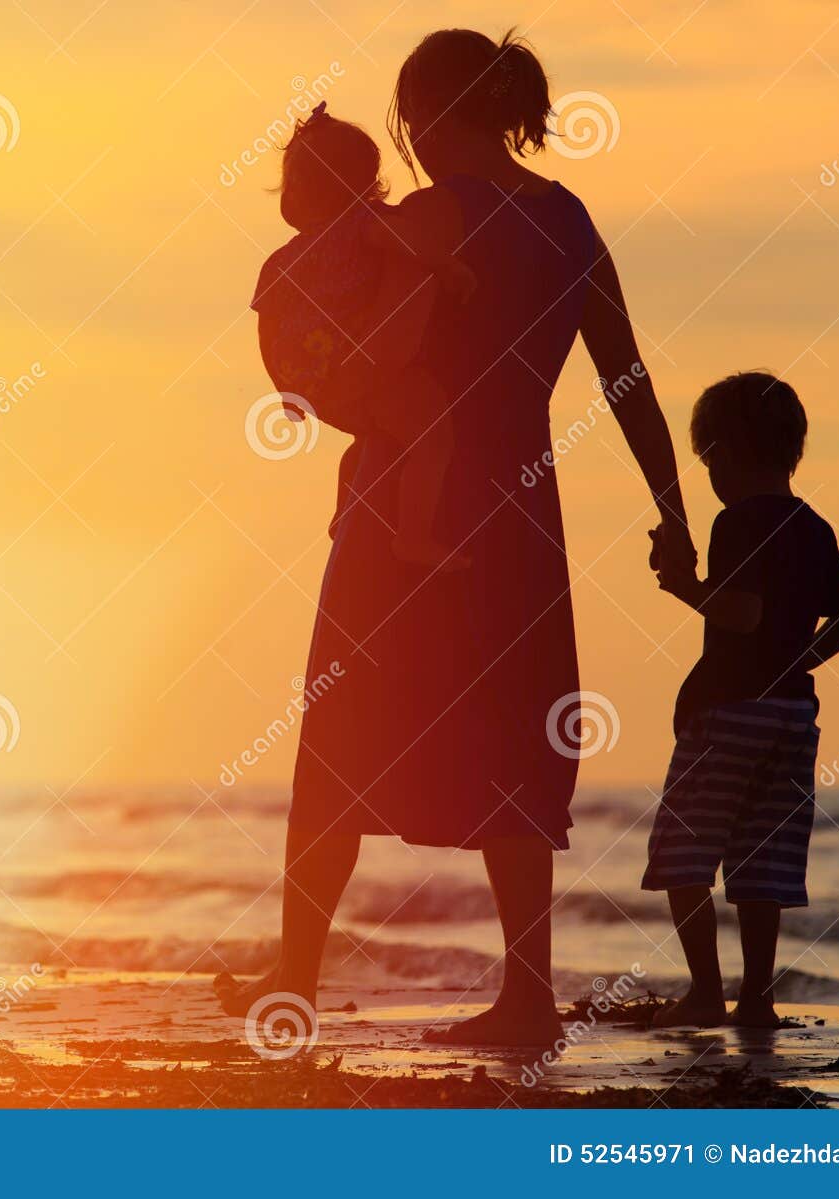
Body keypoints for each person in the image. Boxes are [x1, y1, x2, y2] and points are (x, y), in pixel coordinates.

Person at [218, 27, 694, 1047]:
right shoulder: (567, 220)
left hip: (402, 515)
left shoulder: (422, 218)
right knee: (515, 746)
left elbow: (337, 354)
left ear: (427, 116)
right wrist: (672, 508)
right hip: (519, 518)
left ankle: (294, 985)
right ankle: (527, 996)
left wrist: (326, 392)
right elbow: (626, 378)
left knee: (339, 746)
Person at [643, 372, 839, 1029]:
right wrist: (800, 660)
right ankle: (757, 998)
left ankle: (707, 991)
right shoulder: (812, 525)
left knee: (682, 852)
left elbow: (742, 613)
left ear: (726, 454)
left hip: (732, 713)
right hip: (794, 716)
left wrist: (685, 587)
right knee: (762, 858)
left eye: (708, 459)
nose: (709, 473)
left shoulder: (736, 522)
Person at [251, 100, 475, 565]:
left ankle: (344, 511)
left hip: (316, 383)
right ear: (365, 184)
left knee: (369, 438)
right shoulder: (365, 225)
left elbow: (265, 320)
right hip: (366, 365)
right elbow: (409, 244)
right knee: (433, 437)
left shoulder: (283, 259)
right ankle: (413, 536)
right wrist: (446, 264)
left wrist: (285, 390)